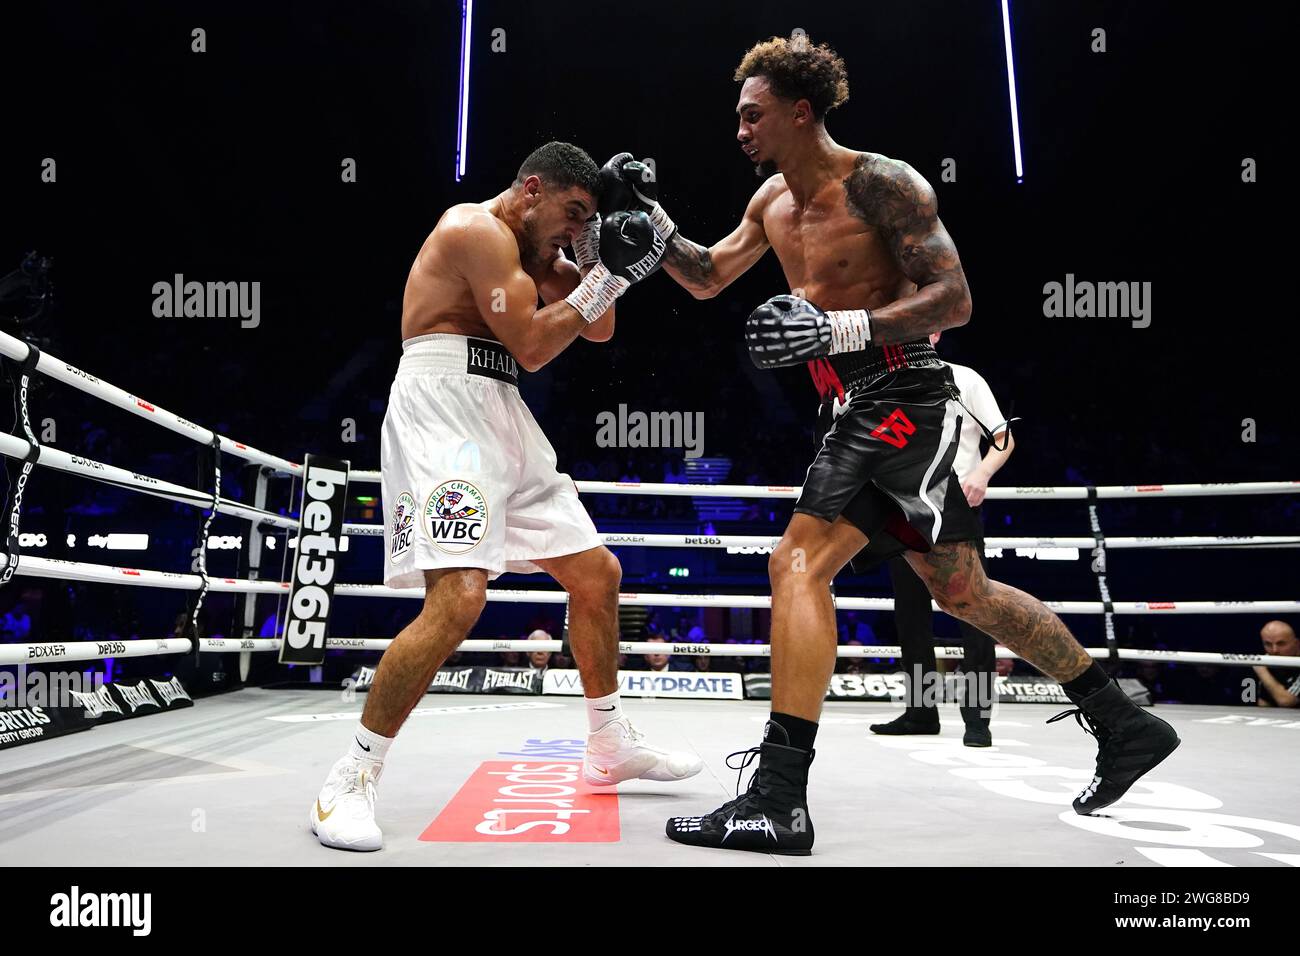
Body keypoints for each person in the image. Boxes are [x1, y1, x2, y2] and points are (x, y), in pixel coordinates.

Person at [627, 35, 1179, 854]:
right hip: (849, 403)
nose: (739, 130)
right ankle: (1122, 720)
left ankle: (779, 797)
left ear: (800, 111)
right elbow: (708, 275)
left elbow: (954, 299)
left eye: (753, 115)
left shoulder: (884, 184)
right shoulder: (769, 204)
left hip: (902, 395)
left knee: (798, 564)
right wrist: (647, 225)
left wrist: (841, 324)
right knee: (964, 592)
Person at [310, 142, 700, 852]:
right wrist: (594, 279)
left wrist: (595, 256)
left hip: (501, 413)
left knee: (597, 574)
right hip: (443, 413)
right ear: (530, 189)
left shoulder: (538, 253)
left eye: (584, 217)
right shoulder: (473, 230)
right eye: (570, 213)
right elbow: (533, 345)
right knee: (459, 597)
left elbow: (599, 328)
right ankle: (351, 776)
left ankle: (607, 741)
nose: (570, 229)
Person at [870, 332, 1014, 747]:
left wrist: (982, 474)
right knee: (910, 613)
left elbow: (1003, 438)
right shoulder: (885, 382)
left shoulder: (965, 379)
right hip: (902, 503)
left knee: (973, 609)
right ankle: (921, 712)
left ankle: (978, 719)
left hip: (954, 500)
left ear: (936, 333)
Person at [1254, 620, 1300, 708]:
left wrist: (1262, 671)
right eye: (1268, 644)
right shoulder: (1266, 661)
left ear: (1297, 644)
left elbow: (1286, 701)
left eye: (1281, 643)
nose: (1274, 650)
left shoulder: (1261, 667)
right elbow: (1262, 704)